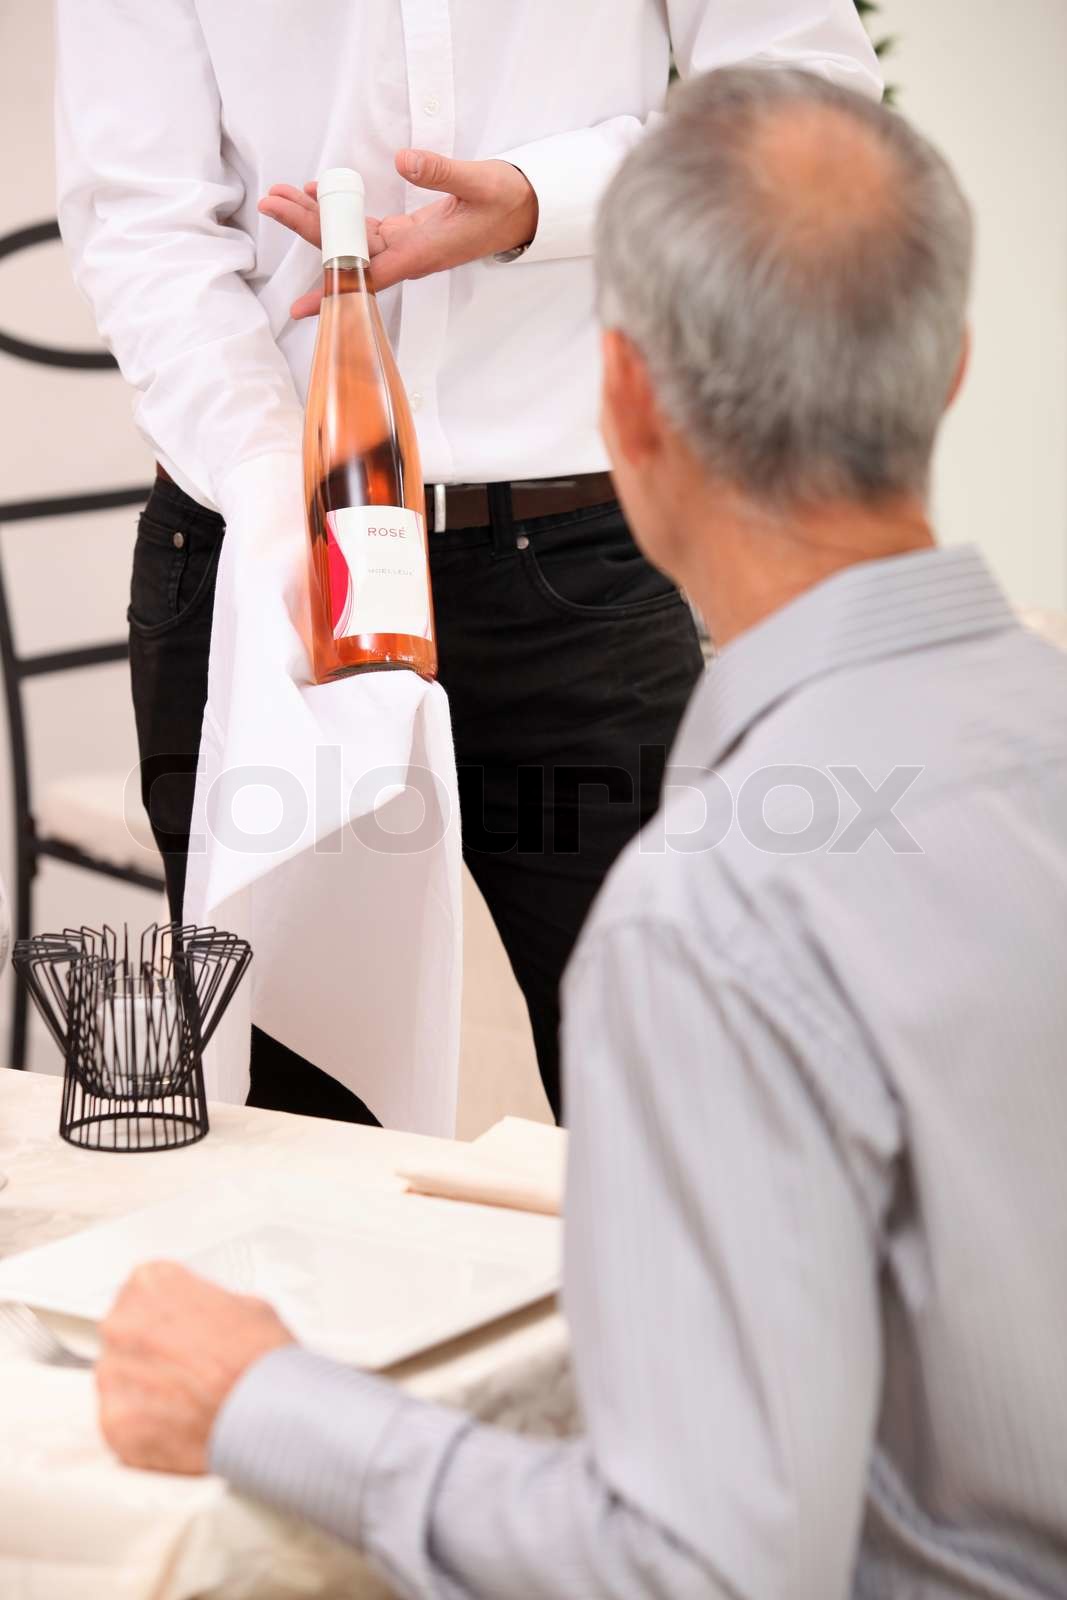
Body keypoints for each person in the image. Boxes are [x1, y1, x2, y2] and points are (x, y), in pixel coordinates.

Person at [94, 68, 1067, 1598]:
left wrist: (262, 1406)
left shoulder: (712, 917)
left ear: (623, 401)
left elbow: (692, 1569)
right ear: (947, 370)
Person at [55, 1, 880, 1125]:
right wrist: (272, 482)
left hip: (573, 564)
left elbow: (809, 107)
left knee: (675, 1101)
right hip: (267, 560)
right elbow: (141, 216)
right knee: (293, 1129)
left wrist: (542, 200)